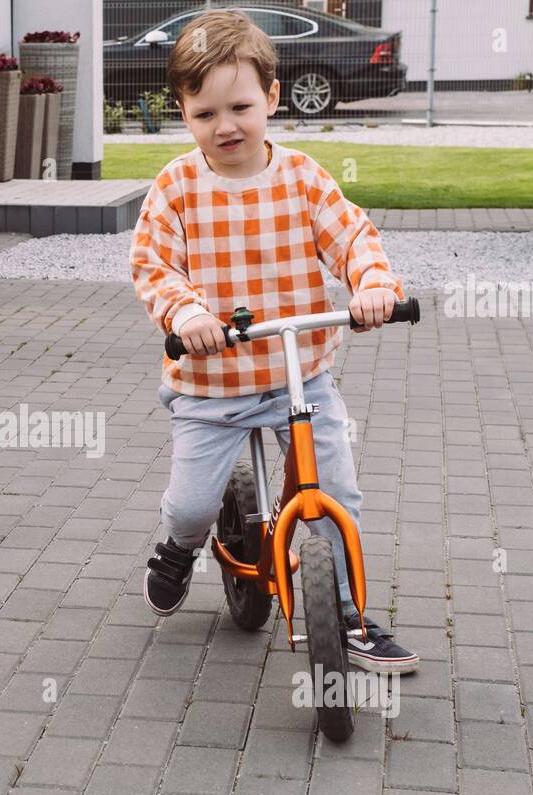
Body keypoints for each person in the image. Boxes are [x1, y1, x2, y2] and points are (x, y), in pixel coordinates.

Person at [129, 9, 418, 674]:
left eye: (240, 107)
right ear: (183, 112)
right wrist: (184, 314)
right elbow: (154, 266)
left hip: (301, 376)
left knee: (336, 494)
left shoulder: (302, 178)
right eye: (205, 114)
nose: (225, 126)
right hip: (212, 385)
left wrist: (372, 285)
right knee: (194, 501)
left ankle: (346, 612)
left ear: (272, 99)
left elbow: (352, 236)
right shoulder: (177, 187)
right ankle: (179, 545)